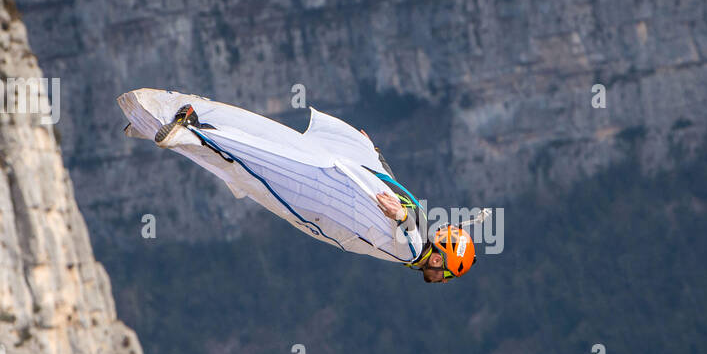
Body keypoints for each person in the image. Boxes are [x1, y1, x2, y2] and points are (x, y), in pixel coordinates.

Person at [130, 93, 476, 283]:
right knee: (259, 171)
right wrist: (401, 215)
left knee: (261, 167)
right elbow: (410, 233)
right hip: (323, 202)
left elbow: (390, 181)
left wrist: (373, 155)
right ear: (439, 256)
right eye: (444, 271)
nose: (442, 278)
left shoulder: (417, 226)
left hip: (330, 198)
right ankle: (193, 129)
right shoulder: (413, 250)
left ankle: (187, 129)